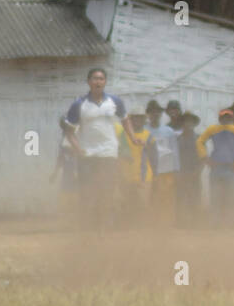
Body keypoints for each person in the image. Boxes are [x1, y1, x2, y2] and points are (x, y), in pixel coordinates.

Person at [64, 68, 139, 228]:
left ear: (105, 82)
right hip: (87, 154)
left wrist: (133, 137)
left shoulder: (115, 102)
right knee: (87, 191)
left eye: (101, 79)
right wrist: (78, 149)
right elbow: (69, 132)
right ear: (88, 81)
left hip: (108, 152)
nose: (98, 81)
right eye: (94, 78)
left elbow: (125, 120)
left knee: (107, 190)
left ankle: (105, 226)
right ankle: (87, 227)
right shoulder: (79, 104)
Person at [197, 109, 234, 225]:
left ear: (232, 118)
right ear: (219, 118)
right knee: (215, 197)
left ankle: (231, 223)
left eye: (228, 117)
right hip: (216, 168)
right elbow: (200, 141)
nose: (226, 119)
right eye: (223, 117)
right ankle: (214, 223)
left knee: (231, 198)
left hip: (231, 168)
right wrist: (204, 157)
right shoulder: (212, 129)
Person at [142, 100, 180, 228]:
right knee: (150, 197)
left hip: (166, 169)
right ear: (148, 114)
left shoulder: (168, 131)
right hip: (148, 169)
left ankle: (166, 224)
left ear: (161, 113)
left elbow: (174, 150)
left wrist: (176, 169)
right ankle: (150, 223)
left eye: (157, 111)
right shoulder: (144, 130)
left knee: (166, 197)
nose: (155, 114)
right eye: (152, 112)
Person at [175, 112, 202, 224]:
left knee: (194, 198)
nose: (188, 123)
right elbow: (174, 156)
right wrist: (177, 172)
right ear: (182, 123)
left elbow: (203, 156)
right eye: (185, 121)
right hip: (181, 173)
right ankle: (181, 222)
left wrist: (198, 171)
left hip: (194, 173)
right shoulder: (177, 139)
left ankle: (195, 222)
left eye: (190, 121)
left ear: (194, 123)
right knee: (181, 198)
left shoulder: (199, 139)